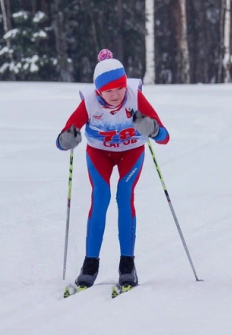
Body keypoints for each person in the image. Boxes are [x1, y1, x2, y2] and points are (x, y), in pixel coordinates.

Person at [56, 49, 170, 289]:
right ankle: (90, 264)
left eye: (120, 88)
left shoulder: (135, 97)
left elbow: (165, 137)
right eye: (109, 90)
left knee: (124, 194)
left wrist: (153, 129)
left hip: (132, 152)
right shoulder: (88, 102)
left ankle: (127, 264)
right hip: (99, 154)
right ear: (98, 90)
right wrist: (66, 140)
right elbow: (64, 136)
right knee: (100, 197)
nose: (116, 94)